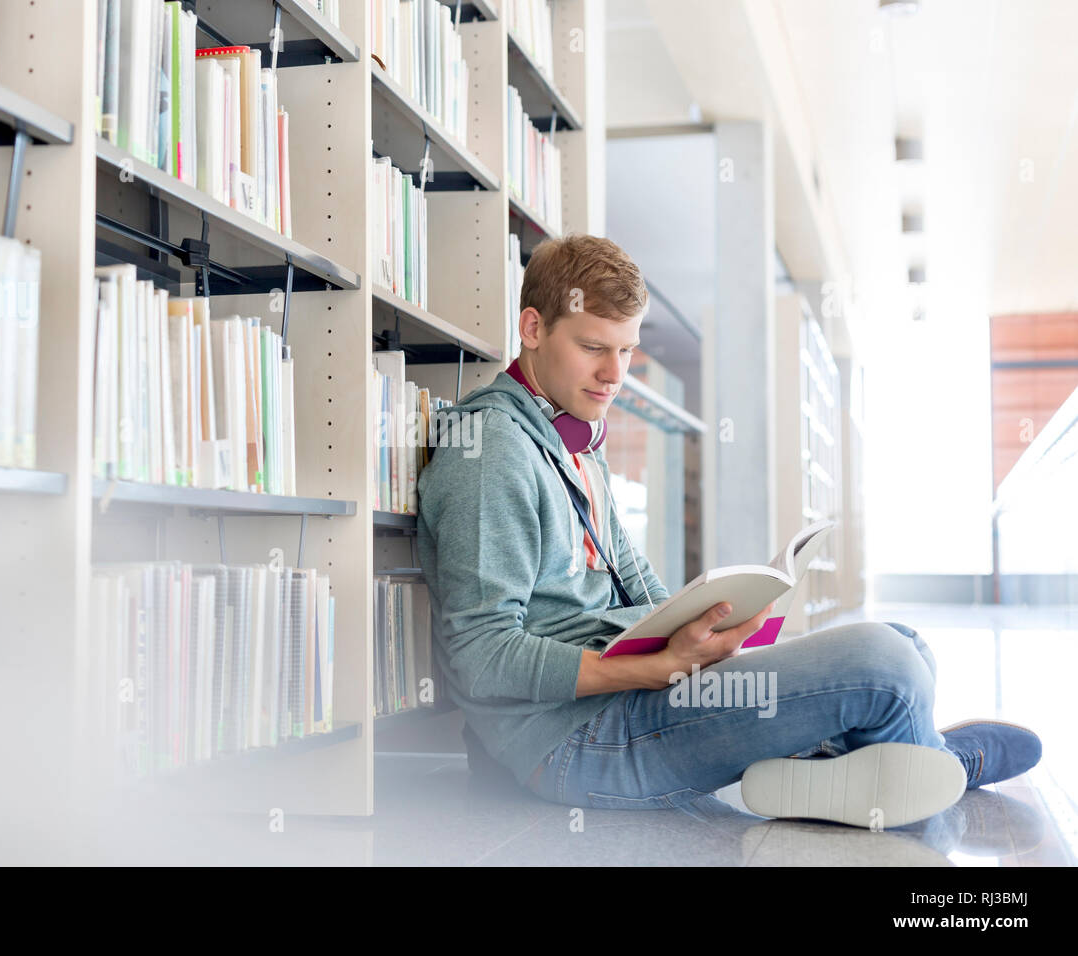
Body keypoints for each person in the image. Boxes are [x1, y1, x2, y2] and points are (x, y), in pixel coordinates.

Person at [414, 233, 1042, 829]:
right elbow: (480, 659)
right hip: (573, 740)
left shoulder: (572, 433)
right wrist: (652, 671)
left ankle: (842, 764)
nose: (615, 373)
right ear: (532, 329)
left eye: (628, 349)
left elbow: (635, 584)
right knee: (889, 669)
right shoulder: (493, 450)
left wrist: (705, 631)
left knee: (906, 642)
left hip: (631, 697)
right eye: (593, 346)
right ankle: (933, 765)